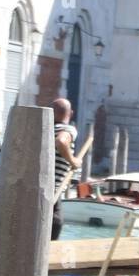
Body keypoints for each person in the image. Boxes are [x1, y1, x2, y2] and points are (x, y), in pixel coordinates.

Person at [50, 98, 81, 240]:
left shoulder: (44, 130)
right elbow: (61, 141)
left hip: (36, 189)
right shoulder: (68, 129)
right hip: (52, 189)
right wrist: (73, 161)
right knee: (56, 223)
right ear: (71, 113)